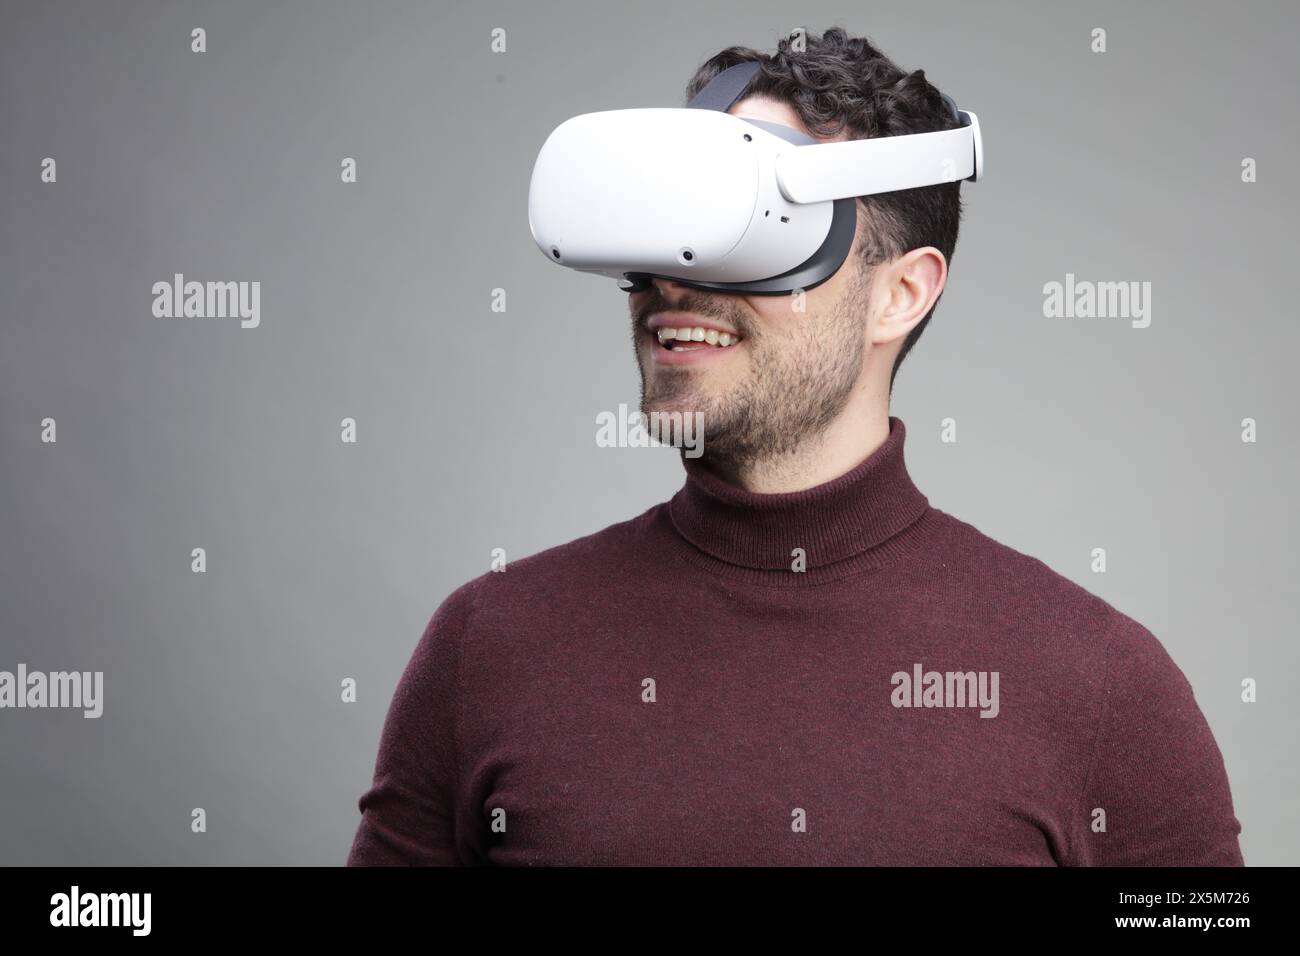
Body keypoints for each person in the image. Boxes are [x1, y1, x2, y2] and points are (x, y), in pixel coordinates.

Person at [347, 27, 1243, 866]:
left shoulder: (1099, 685)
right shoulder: (490, 644)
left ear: (900, 293)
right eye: (672, 222)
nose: (677, 275)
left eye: (757, 228)